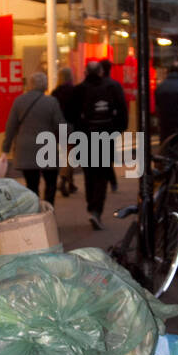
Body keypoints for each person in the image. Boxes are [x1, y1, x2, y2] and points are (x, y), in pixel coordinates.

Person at [71, 60, 128, 229]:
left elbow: (71, 115)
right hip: (105, 136)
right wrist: (116, 130)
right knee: (102, 174)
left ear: (86, 72)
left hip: (85, 136)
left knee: (89, 173)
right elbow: (122, 112)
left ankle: (92, 206)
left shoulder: (79, 90)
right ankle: (96, 209)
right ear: (101, 72)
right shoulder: (113, 87)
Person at [1, 72, 64, 206]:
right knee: (51, 183)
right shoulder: (51, 102)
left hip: (26, 149)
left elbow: (11, 126)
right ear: (45, 85)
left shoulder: (19, 101)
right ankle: (49, 209)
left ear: (29, 85)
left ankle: (35, 211)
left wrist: (5, 148)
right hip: (47, 148)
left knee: (31, 184)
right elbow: (60, 125)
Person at [99, 57, 127, 192]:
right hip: (111, 126)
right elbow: (122, 107)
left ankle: (107, 180)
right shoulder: (115, 85)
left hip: (97, 126)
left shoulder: (96, 86)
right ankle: (110, 180)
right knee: (106, 154)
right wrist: (121, 125)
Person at [51, 66, 77, 195]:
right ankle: (63, 179)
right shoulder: (74, 91)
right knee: (70, 155)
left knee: (66, 154)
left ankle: (71, 183)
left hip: (58, 127)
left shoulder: (55, 92)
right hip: (71, 126)